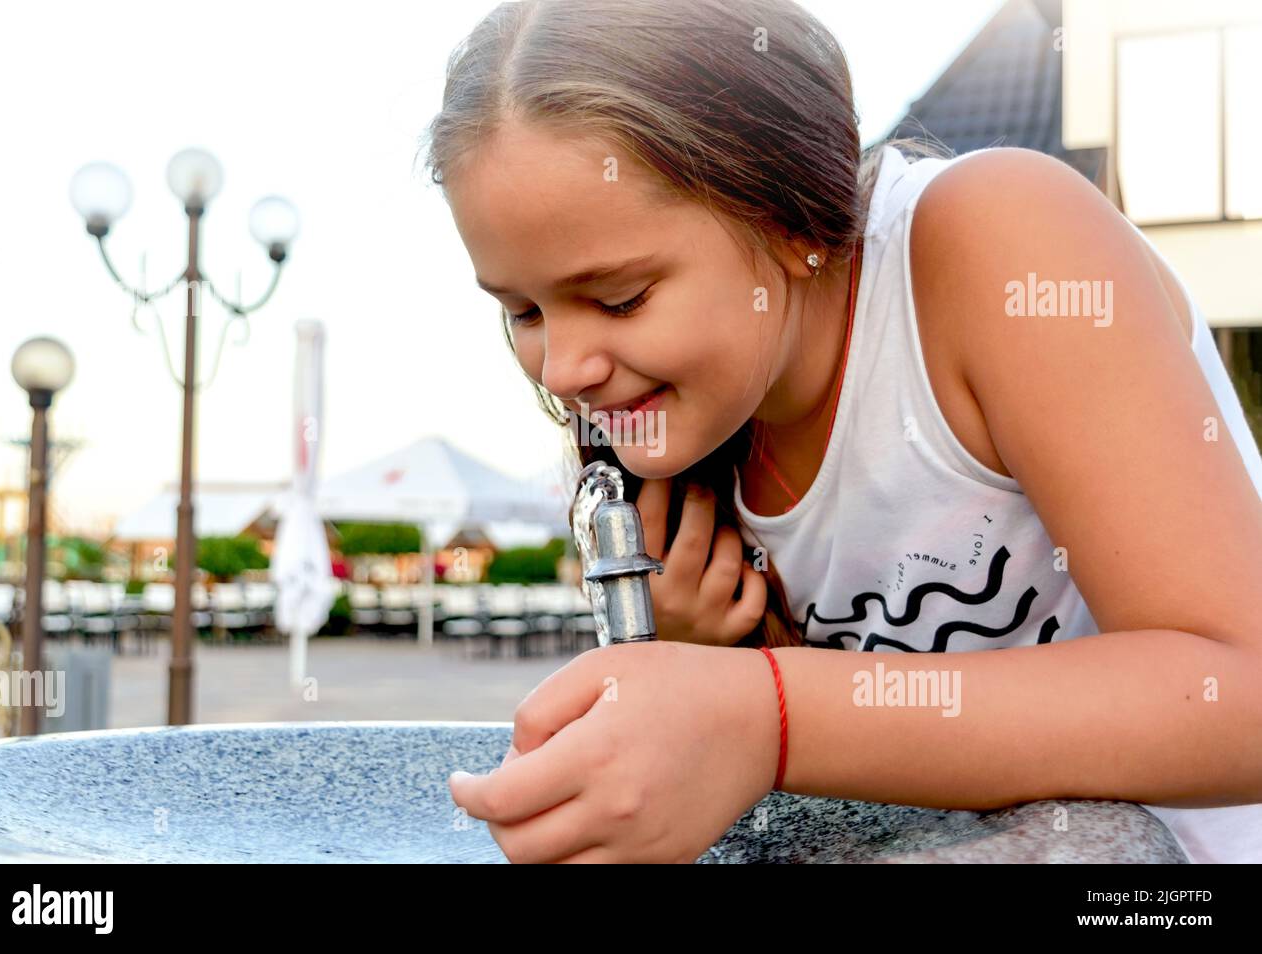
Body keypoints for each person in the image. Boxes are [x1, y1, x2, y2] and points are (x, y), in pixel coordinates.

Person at [423, 0, 1262, 863]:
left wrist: (768, 712)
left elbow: (1241, 697)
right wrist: (694, 661)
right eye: (523, 310)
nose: (562, 369)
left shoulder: (1000, 243)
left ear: (791, 222)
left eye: (620, 299)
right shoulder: (683, 466)